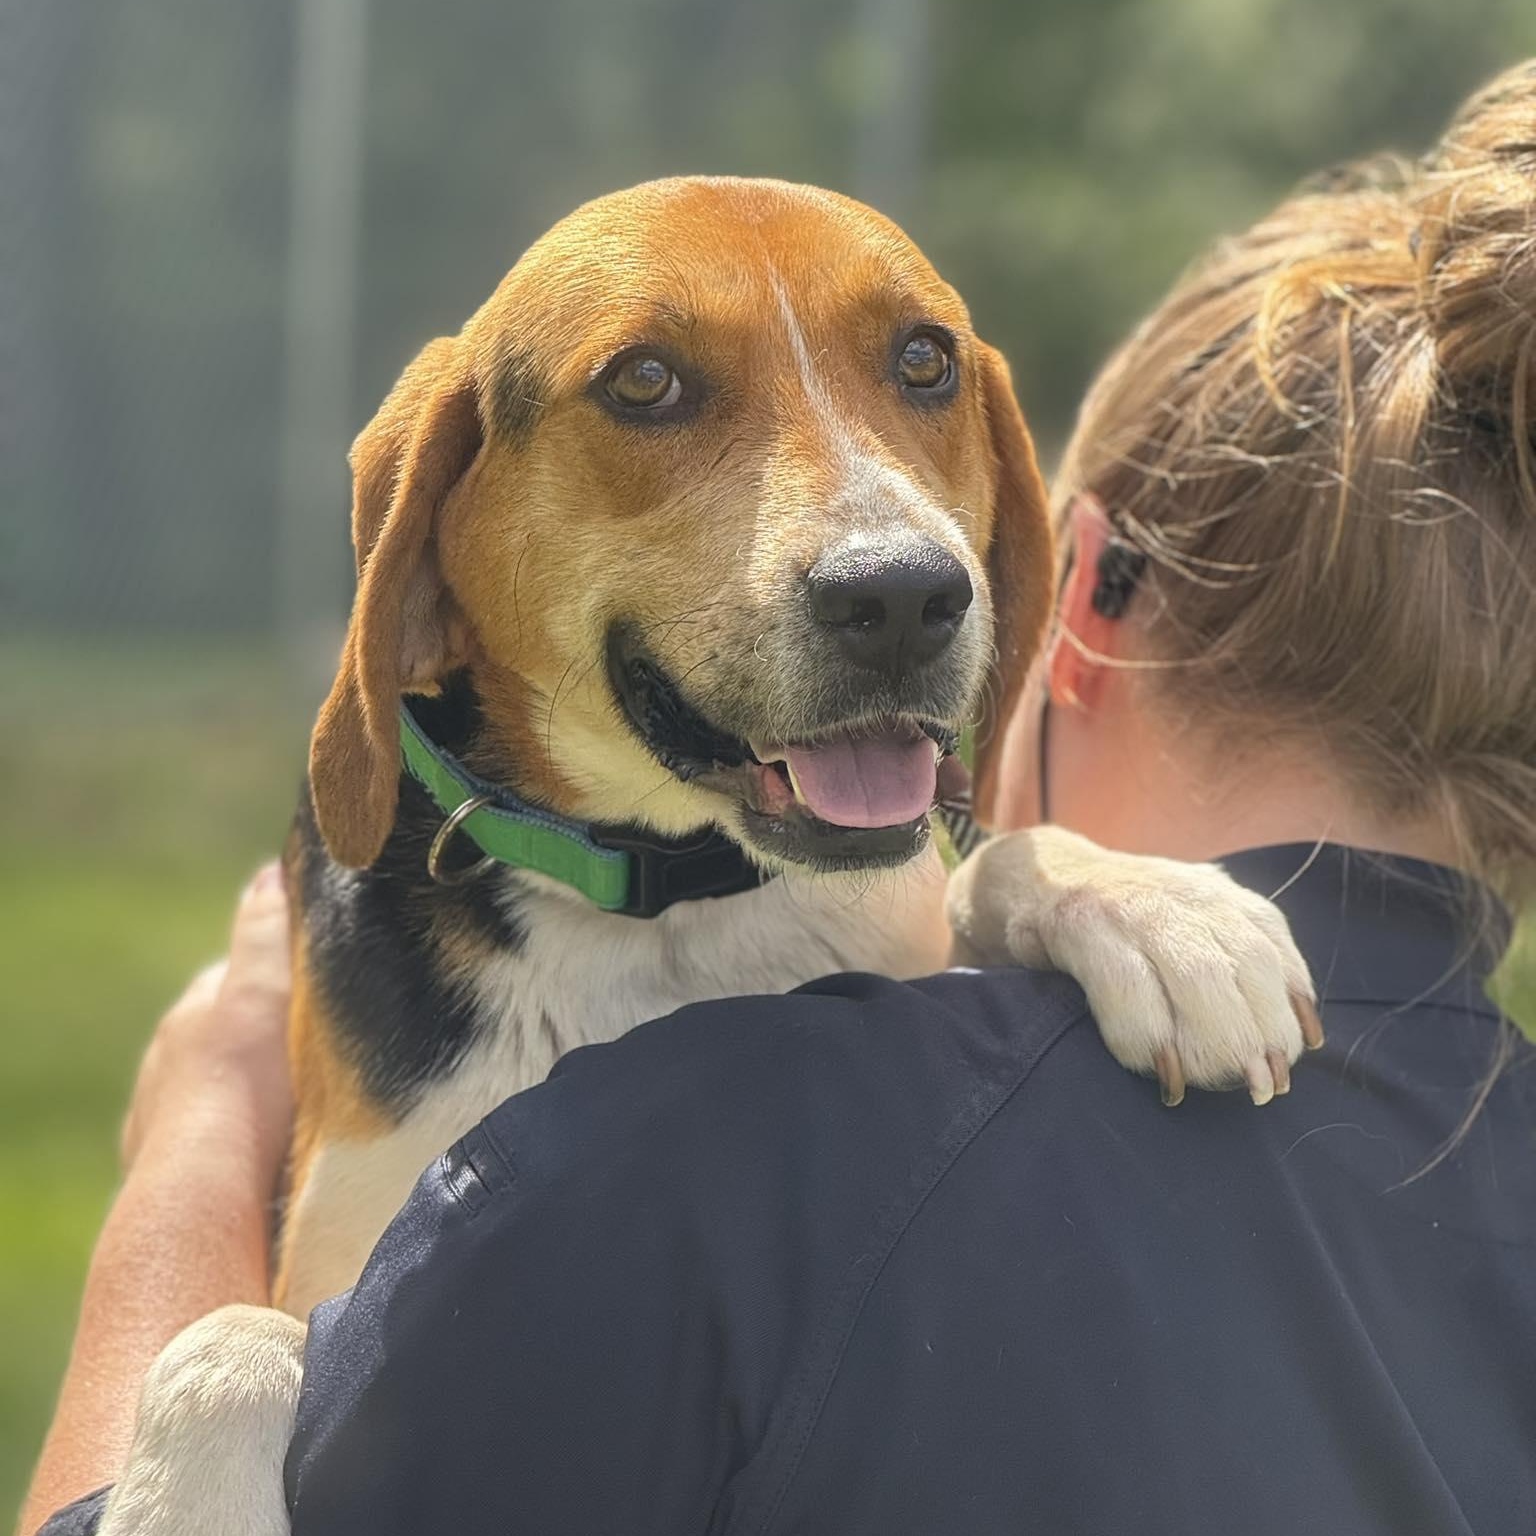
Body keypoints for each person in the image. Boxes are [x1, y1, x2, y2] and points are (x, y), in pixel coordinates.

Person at [27, 60, 1536, 1536]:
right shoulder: (368, 961)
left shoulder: (940, 938)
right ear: (439, 543)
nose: (885, 551)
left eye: (918, 371)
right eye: (651, 386)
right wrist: (223, 1379)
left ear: (1027, 545)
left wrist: (1036, 877)